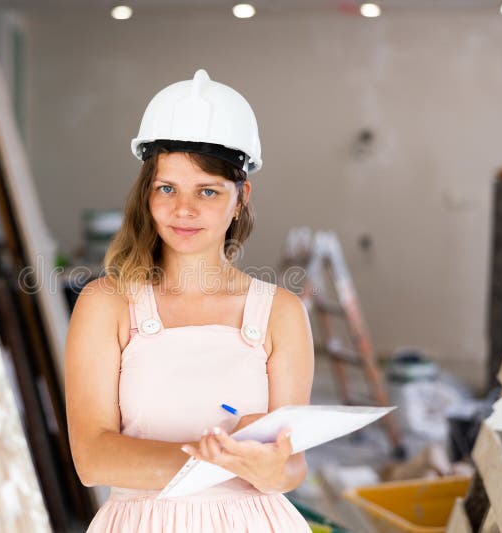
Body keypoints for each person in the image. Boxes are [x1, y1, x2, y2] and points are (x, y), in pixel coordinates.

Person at [65, 69, 314, 532]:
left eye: (207, 191)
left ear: (240, 198)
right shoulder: (107, 305)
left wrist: (273, 468)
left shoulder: (280, 312)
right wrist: (226, 461)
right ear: (147, 194)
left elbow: (292, 465)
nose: (184, 210)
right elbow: (92, 458)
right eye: (167, 189)